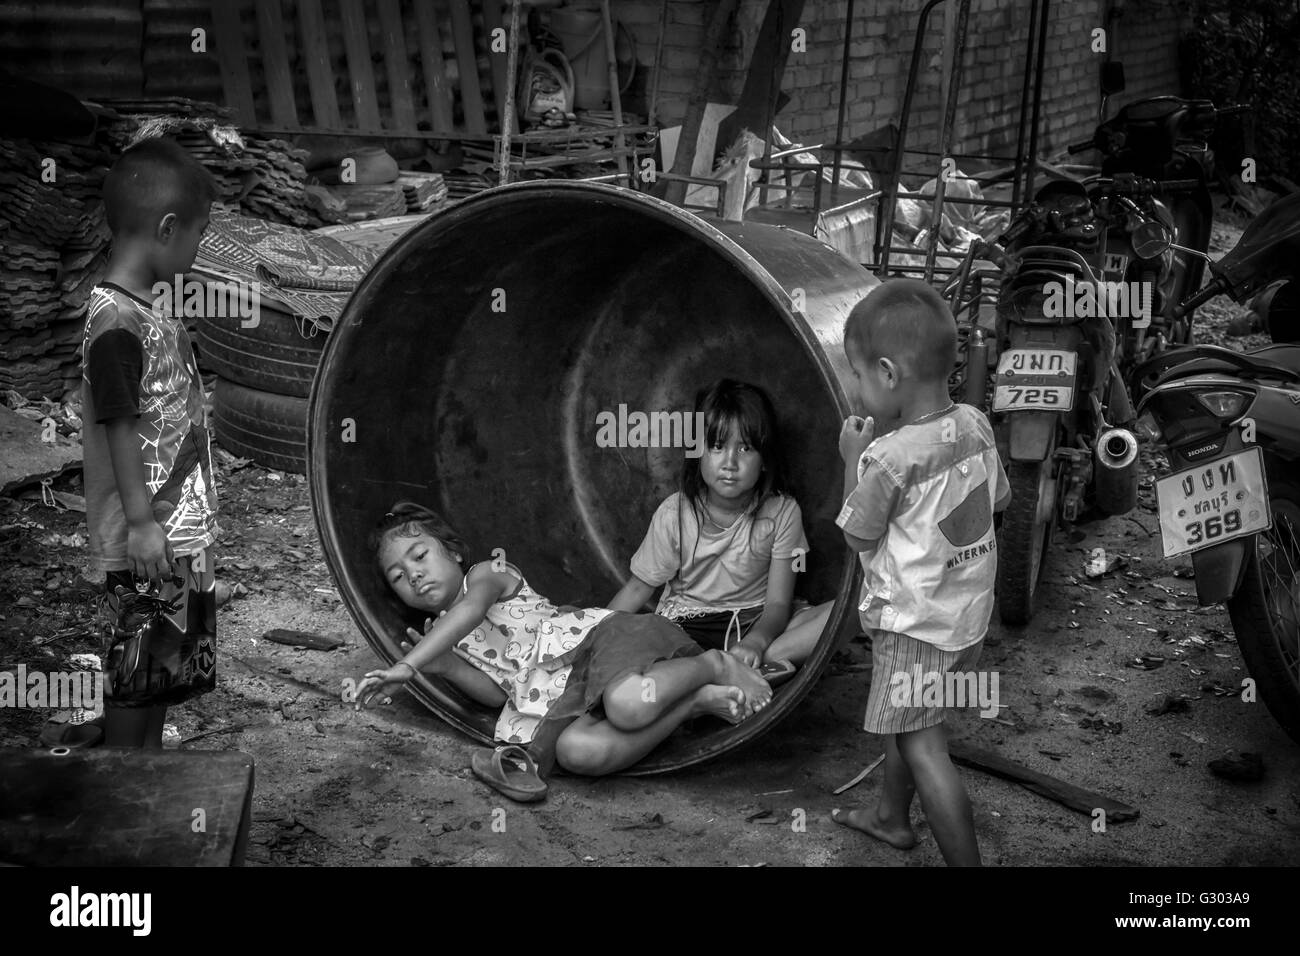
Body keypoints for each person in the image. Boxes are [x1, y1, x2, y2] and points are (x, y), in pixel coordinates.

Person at [353, 503, 773, 801]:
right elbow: (503, 694)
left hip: (600, 642)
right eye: (398, 577)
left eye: (420, 555)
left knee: (627, 705)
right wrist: (447, 667)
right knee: (577, 754)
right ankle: (692, 704)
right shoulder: (453, 639)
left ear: (456, 553)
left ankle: (714, 662)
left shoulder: (486, 576)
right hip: (564, 697)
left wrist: (410, 664)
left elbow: (469, 610)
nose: (414, 574)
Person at [829, 280, 1010, 866]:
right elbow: (998, 501)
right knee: (911, 719)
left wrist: (850, 462)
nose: (856, 388)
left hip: (913, 626)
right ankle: (889, 817)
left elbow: (858, 535)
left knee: (923, 742)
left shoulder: (889, 458)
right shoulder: (977, 425)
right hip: (964, 617)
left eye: (856, 375)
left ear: (886, 373)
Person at [80, 136, 221, 748]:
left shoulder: (146, 312)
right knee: (136, 668)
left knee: (163, 669)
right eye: (198, 233)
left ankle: (144, 774)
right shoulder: (115, 322)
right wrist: (139, 522)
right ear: (167, 228)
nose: (199, 247)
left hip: (175, 534)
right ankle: (120, 780)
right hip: (149, 537)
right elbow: (116, 423)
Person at [608, 379, 831, 670]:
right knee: (643, 655)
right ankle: (737, 671)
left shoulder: (782, 512)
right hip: (687, 627)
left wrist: (757, 641)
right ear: (697, 452)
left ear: (764, 460)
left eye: (745, 449)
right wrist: (592, 636)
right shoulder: (674, 514)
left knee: (848, 609)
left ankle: (754, 663)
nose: (729, 462)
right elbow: (638, 590)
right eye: (716, 446)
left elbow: (778, 603)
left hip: (758, 620)